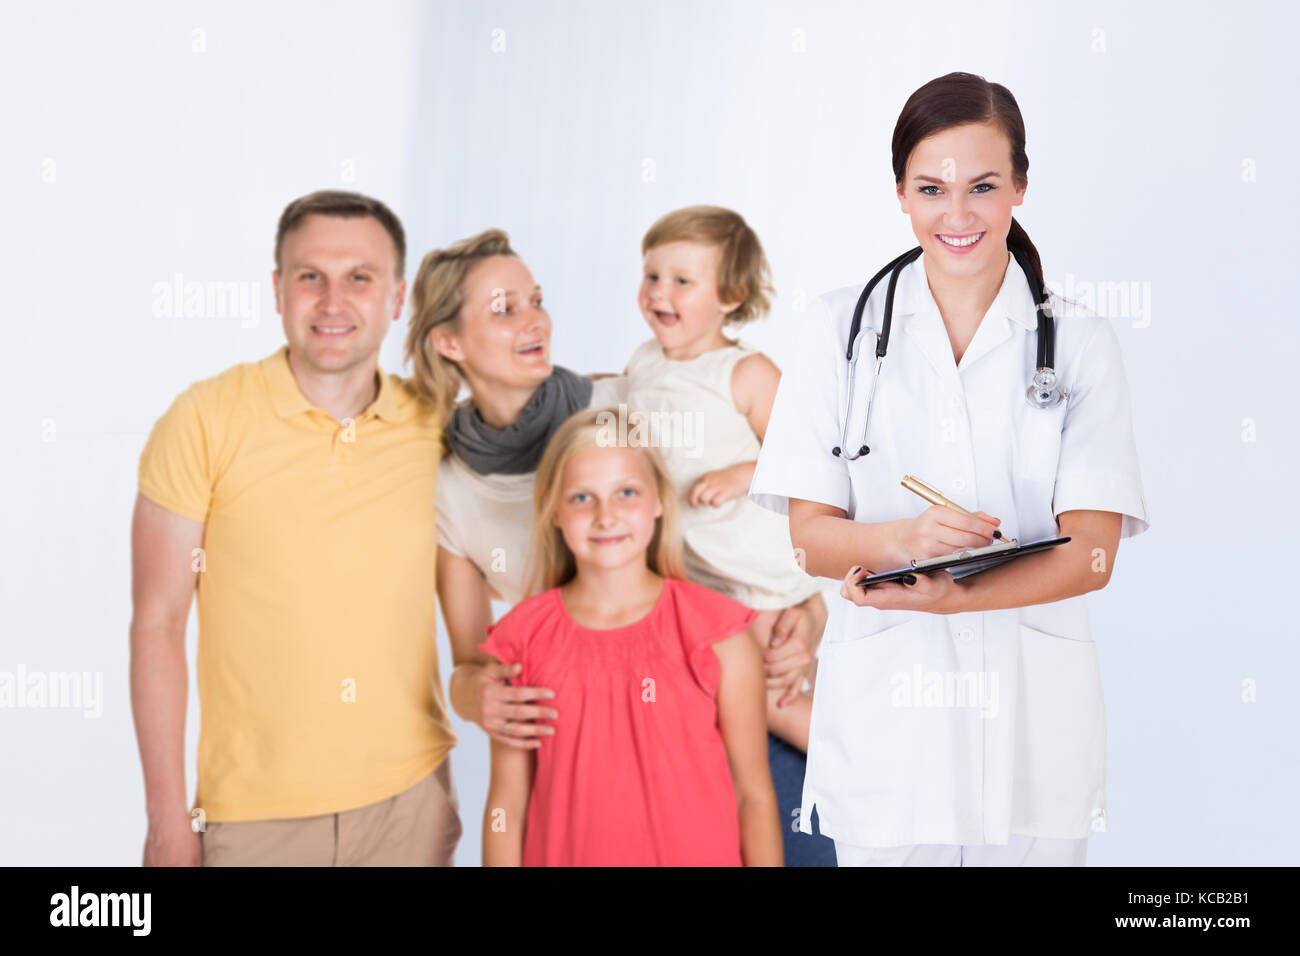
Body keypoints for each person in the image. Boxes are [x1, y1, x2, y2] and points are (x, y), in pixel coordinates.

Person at [750, 72, 1149, 866]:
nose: (957, 214)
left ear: (1021, 188)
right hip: (888, 729)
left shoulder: (1079, 342)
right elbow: (808, 542)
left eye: (984, 186)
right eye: (931, 188)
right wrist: (904, 540)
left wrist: (957, 598)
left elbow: (1092, 556)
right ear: (900, 192)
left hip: (1034, 725)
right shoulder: (838, 331)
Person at [130, 190, 461, 866]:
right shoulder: (203, 420)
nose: (332, 301)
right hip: (255, 817)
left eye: (359, 278)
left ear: (397, 297)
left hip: (408, 804)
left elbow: (568, 413)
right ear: (278, 290)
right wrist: (167, 822)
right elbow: (157, 622)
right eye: (311, 276)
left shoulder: (439, 426)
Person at [405, 230, 826, 759]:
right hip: (604, 741)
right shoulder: (451, 488)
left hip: (740, 714)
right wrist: (477, 698)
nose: (535, 320)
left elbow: (765, 510)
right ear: (449, 342)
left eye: (536, 301)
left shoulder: (635, 404)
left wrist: (810, 614)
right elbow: (468, 665)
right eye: (505, 309)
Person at [623, 205, 836, 865]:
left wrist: (747, 471)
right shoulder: (642, 364)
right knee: (741, 691)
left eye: (682, 280)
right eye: (652, 274)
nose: (661, 291)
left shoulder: (744, 373)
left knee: (767, 697)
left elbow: (813, 460)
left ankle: (853, 754)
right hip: (701, 579)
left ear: (731, 298)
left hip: (758, 574)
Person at [480, 408, 783, 865]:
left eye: (626, 492)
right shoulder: (521, 639)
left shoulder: (717, 634)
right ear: (553, 510)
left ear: (659, 500)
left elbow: (753, 796)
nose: (606, 516)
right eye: (582, 497)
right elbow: (507, 805)